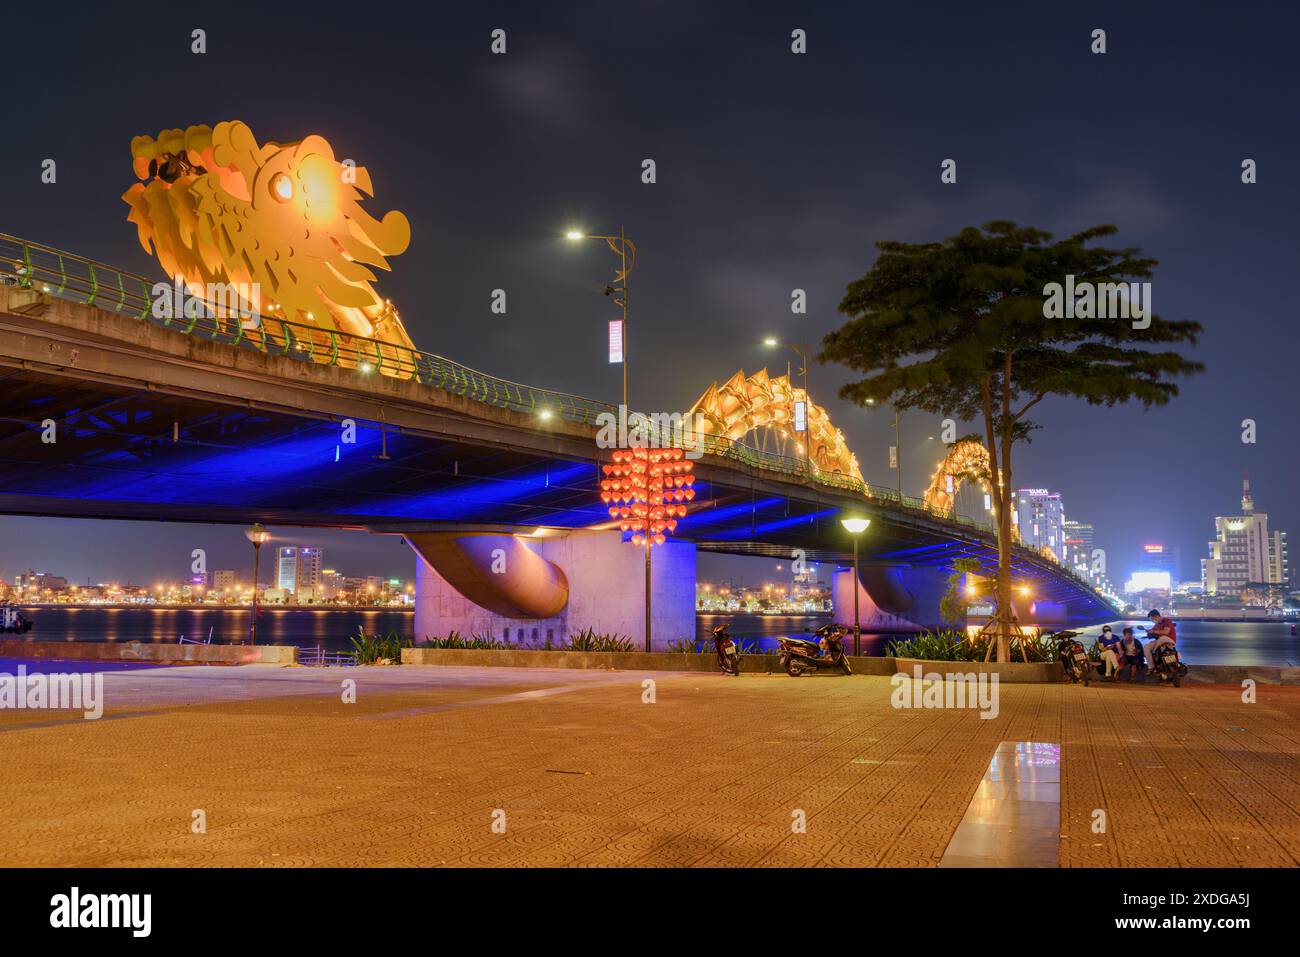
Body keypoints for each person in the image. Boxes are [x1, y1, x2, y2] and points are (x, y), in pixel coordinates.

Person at [1143, 608, 1178, 677]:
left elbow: (1166, 632)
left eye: (1153, 619)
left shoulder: (1167, 621)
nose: (1153, 621)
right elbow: (1153, 632)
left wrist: (1154, 632)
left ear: (1157, 616)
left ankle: (1154, 652)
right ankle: (1151, 667)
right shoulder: (1156, 625)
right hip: (1160, 642)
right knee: (1146, 647)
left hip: (1169, 640)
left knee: (1162, 638)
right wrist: (1148, 634)